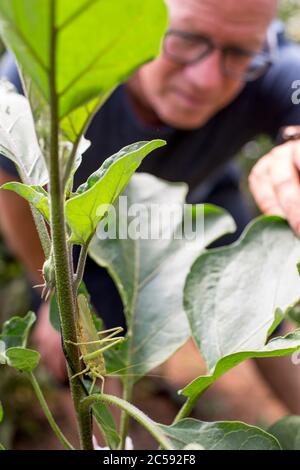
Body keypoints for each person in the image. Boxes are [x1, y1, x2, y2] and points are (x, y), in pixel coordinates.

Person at [1, 0, 300, 412]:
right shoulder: (37, 83)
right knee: (82, 362)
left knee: (264, 315)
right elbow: (13, 193)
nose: (206, 80)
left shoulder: (268, 65)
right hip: (85, 241)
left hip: (199, 200)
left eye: (239, 53)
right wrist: (53, 298)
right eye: (186, 40)